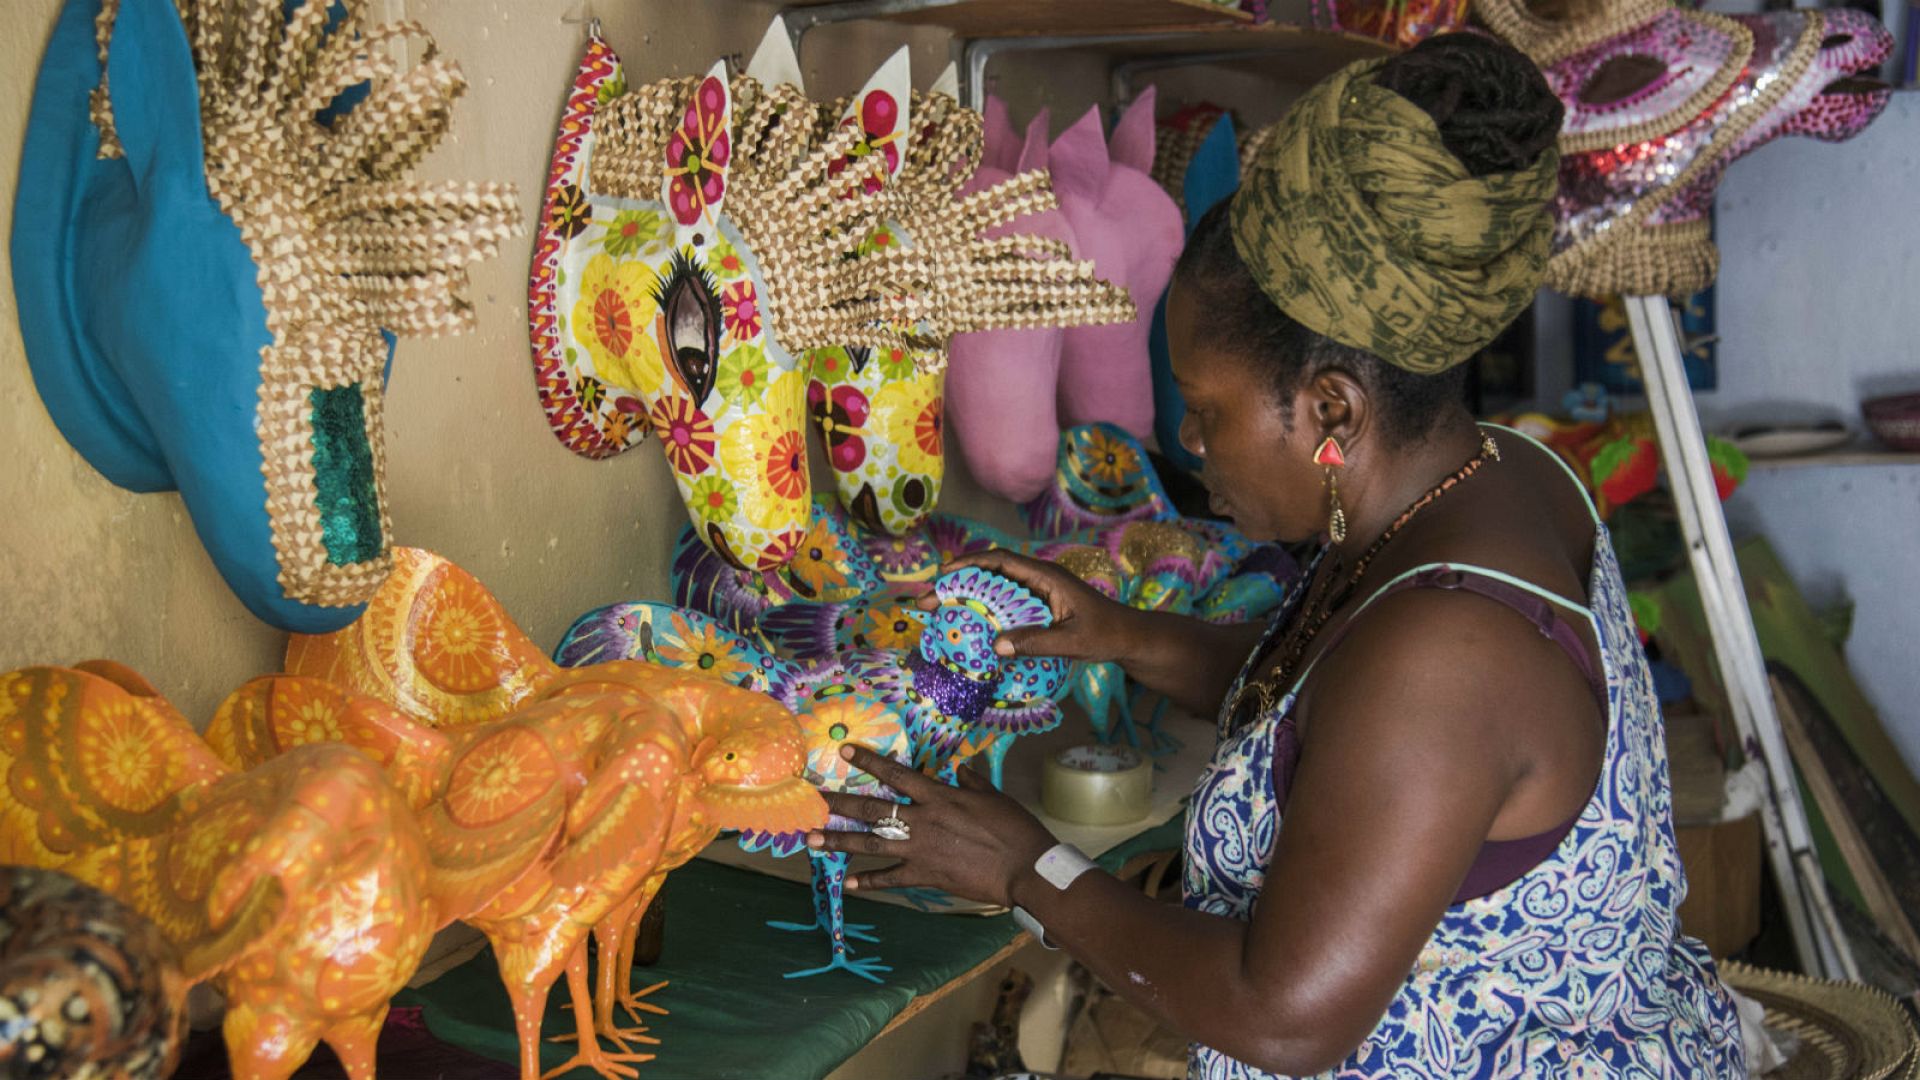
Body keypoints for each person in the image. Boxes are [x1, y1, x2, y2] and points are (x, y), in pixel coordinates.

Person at [807, 32, 1745, 1077]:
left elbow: (1286, 1015)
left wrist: (1026, 867)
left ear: (1332, 408)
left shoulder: (1448, 653)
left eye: (1206, 411)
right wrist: (1121, 635)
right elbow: (1325, 701)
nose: (1190, 442)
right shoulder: (1491, 477)